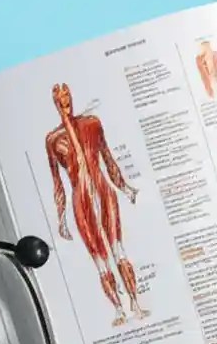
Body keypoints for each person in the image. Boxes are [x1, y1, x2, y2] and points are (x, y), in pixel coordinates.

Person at [45, 82, 148, 326]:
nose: (64, 101)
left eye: (67, 95)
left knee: (118, 249)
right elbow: (57, 182)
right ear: (55, 103)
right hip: (80, 201)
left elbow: (108, 158)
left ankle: (135, 303)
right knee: (100, 261)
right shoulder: (53, 140)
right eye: (59, 98)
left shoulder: (92, 123)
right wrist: (61, 217)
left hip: (103, 191)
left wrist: (124, 187)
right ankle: (119, 310)